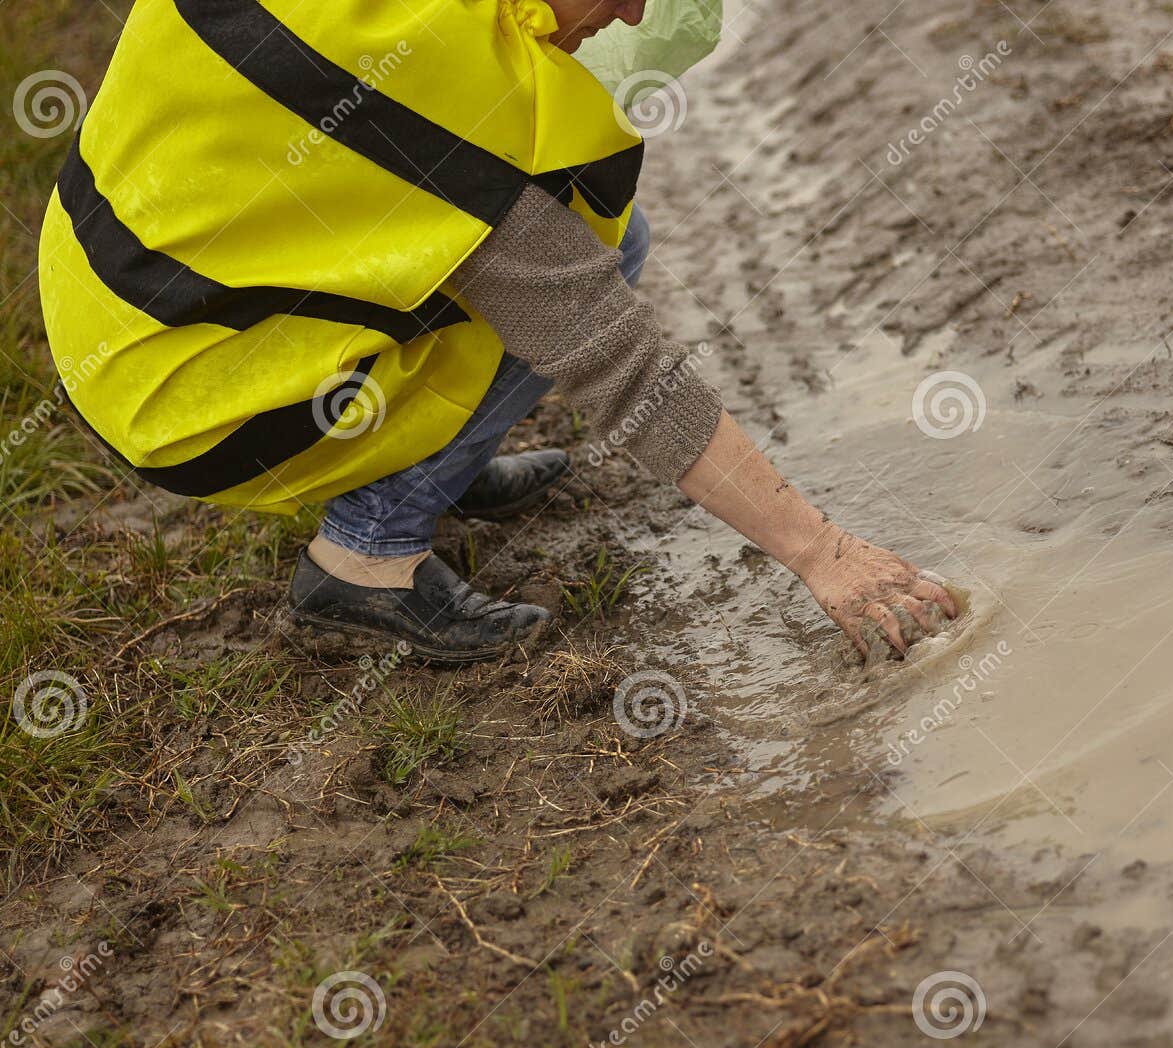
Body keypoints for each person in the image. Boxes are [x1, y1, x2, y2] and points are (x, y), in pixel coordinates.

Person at [38, 0, 956, 664]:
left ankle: (434, 459)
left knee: (554, 240)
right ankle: (365, 557)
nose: (632, 11)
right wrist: (822, 553)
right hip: (185, 387)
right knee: (579, 257)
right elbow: (614, 361)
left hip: (121, 276)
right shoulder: (440, 89)